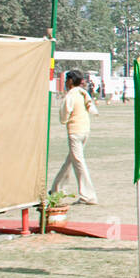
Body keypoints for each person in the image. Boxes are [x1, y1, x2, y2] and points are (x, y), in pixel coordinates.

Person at [51, 69, 99, 205]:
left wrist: (64, 119)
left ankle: (88, 196)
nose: (65, 82)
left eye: (67, 79)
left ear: (70, 81)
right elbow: (92, 108)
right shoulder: (82, 92)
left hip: (75, 132)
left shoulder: (71, 95)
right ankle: (56, 189)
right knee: (70, 161)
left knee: (78, 163)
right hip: (84, 131)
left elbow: (64, 116)